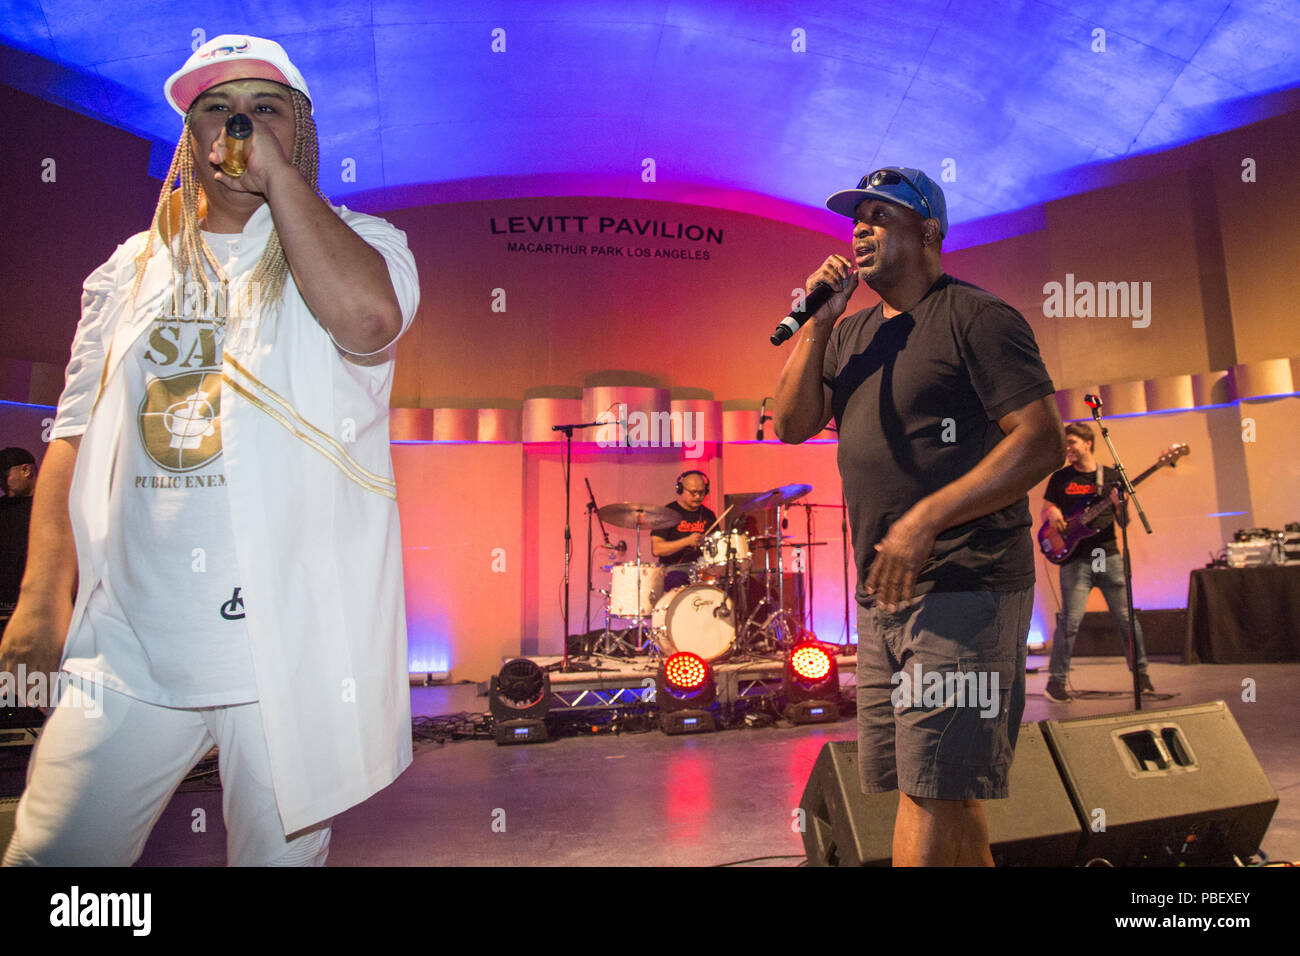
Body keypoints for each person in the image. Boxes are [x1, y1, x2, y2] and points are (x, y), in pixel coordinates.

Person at [0, 35, 420, 866]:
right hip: (129, 645)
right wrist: (40, 597)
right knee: (50, 864)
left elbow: (368, 321)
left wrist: (278, 179)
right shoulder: (127, 271)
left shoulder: (363, 243)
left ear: (300, 132)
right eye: (215, 111)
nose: (238, 124)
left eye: (264, 109)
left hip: (288, 652)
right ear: (188, 140)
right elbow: (73, 438)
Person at [773, 167, 1065, 866]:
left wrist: (928, 516)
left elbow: (1041, 440)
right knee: (935, 787)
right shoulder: (852, 336)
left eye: (880, 216)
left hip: (966, 586)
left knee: (930, 788)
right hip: (884, 597)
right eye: (856, 218)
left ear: (929, 230)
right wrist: (820, 327)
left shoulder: (977, 318)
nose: (861, 229)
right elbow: (789, 423)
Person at [1041, 423, 1152, 701]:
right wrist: (1053, 511)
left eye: (1072, 443)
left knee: (1127, 618)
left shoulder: (1112, 476)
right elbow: (1046, 508)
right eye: (1065, 445)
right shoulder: (1060, 478)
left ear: (1088, 443)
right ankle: (1055, 683)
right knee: (1070, 622)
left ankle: (1142, 677)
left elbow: (1123, 521)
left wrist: (1119, 504)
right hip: (1075, 559)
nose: (1068, 449)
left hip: (1109, 555)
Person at [651, 470, 717, 590]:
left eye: (702, 493)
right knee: (678, 580)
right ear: (680, 490)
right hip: (674, 569)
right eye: (693, 492)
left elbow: (717, 547)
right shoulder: (667, 513)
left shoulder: (709, 515)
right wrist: (687, 541)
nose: (698, 497)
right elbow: (657, 549)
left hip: (703, 569)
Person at [1, 447, 38, 624]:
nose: (2, 482)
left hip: (37, 610)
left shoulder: (50, 508)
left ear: (26, 470)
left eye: (5, 475)